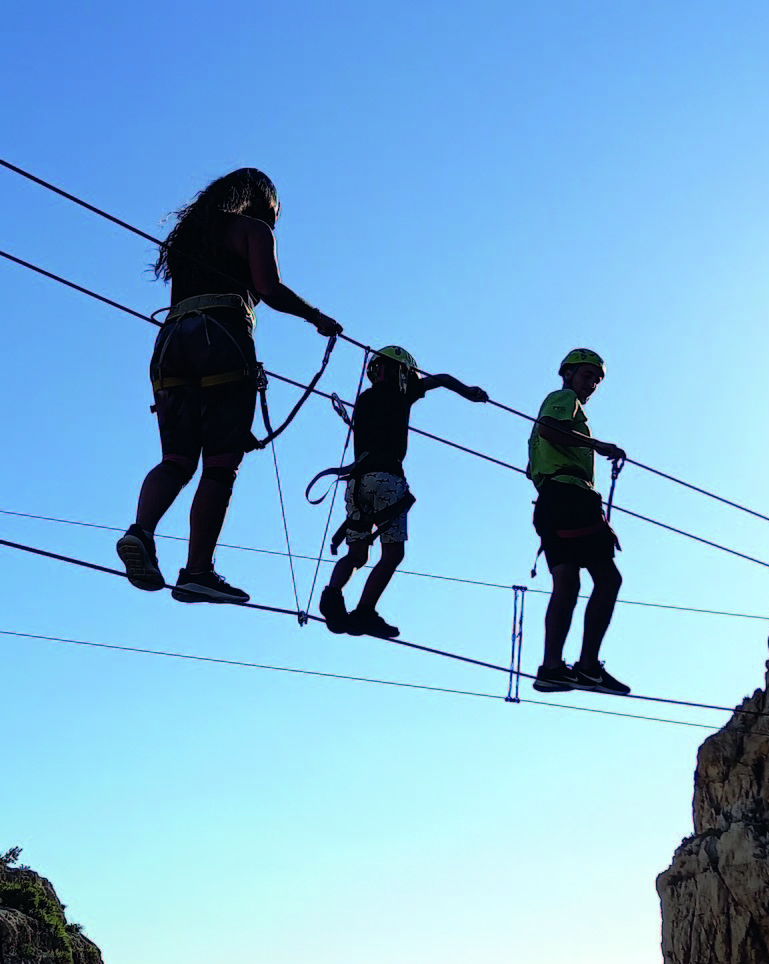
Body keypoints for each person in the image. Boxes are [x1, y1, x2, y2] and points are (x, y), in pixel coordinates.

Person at [116, 168, 342, 604]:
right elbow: (269, 289)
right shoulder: (252, 230)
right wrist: (317, 318)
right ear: (262, 203)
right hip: (222, 338)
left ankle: (140, 531)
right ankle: (197, 570)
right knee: (220, 464)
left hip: (170, 343)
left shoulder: (190, 238)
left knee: (177, 460)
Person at [319, 346, 487, 638]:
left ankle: (332, 596)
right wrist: (468, 392)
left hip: (356, 484)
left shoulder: (364, 398)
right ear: (402, 373)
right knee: (393, 553)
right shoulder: (400, 393)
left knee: (357, 554)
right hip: (387, 480)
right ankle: (365, 611)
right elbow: (443, 379)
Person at [527, 348, 629, 695]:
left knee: (567, 584)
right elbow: (549, 429)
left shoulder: (567, 403)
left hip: (550, 500)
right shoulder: (564, 398)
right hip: (572, 496)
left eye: (597, 379)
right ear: (568, 374)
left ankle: (551, 666)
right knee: (608, 579)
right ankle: (587, 667)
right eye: (588, 375)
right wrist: (596, 444)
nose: (593, 384)